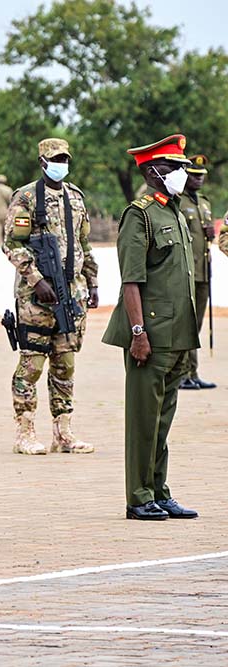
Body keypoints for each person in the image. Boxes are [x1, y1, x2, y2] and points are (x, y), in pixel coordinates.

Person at [102, 134, 199, 521]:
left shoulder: (173, 211)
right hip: (151, 335)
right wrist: (138, 333)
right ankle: (138, 496)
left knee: (163, 419)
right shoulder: (139, 215)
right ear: (154, 171)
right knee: (143, 420)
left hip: (177, 334)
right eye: (176, 167)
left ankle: (160, 490)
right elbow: (131, 280)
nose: (182, 173)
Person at [3, 138, 99, 455]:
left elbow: (84, 245)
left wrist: (92, 281)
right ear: (43, 161)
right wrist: (35, 278)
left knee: (65, 365)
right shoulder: (26, 197)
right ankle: (25, 431)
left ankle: (63, 432)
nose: (61, 163)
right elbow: (12, 244)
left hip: (72, 295)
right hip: (36, 298)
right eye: (55, 158)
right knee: (31, 365)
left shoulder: (75, 196)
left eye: (65, 158)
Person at [178, 154, 216, 390]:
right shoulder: (178, 202)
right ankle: (182, 374)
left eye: (201, 176)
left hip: (203, 271)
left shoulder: (204, 202)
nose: (199, 180)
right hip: (187, 272)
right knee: (185, 325)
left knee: (197, 326)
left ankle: (193, 372)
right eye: (194, 175)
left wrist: (211, 233)